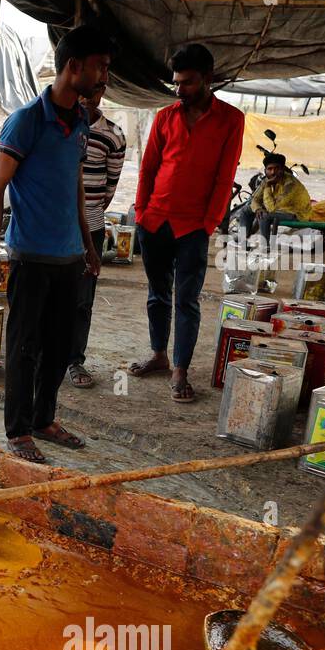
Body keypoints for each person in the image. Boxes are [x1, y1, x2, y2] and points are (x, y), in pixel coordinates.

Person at [0, 24, 112, 465]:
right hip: (30, 257)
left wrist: (89, 246)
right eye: (99, 67)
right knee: (23, 347)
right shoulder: (25, 121)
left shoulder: (79, 120)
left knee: (59, 347)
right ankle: (18, 430)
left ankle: (44, 419)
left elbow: (74, 183)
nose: (104, 77)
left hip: (69, 256)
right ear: (73, 67)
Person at [129, 43, 244, 404]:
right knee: (157, 294)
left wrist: (208, 224)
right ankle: (159, 355)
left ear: (208, 79)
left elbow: (226, 177)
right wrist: (141, 212)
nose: (180, 90)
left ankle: (180, 368)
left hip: (193, 227)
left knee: (188, 301)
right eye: (176, 83)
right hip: (155, 221)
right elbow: (148, 168)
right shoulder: (165, 117)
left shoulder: (231, 119)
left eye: (188, 82)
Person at [67, 81, 125, 390]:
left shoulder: (112, 135)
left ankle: (74, 360)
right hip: (57, 228)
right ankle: (42, 355)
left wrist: (86, 216)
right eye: (83, 91)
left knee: (82, 299)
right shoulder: (59, 126)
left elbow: (109, 190)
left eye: (94, 92)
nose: (87, 98)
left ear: (102, 93)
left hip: (90, 227)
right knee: (50, 294)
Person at [239, 152, 312, 246]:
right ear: (265, 170)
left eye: (276, 168)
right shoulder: (266, 180)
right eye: (269, 169)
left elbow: (272, 209)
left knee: (264, 215)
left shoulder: (290, 184)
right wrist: (258, 208)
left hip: (296, 215)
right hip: (278, 210)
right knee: (245, 210)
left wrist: (268, 186)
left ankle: (265, 247)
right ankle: (243, 242)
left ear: (282, 169)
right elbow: (255, 199)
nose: (273, 172)